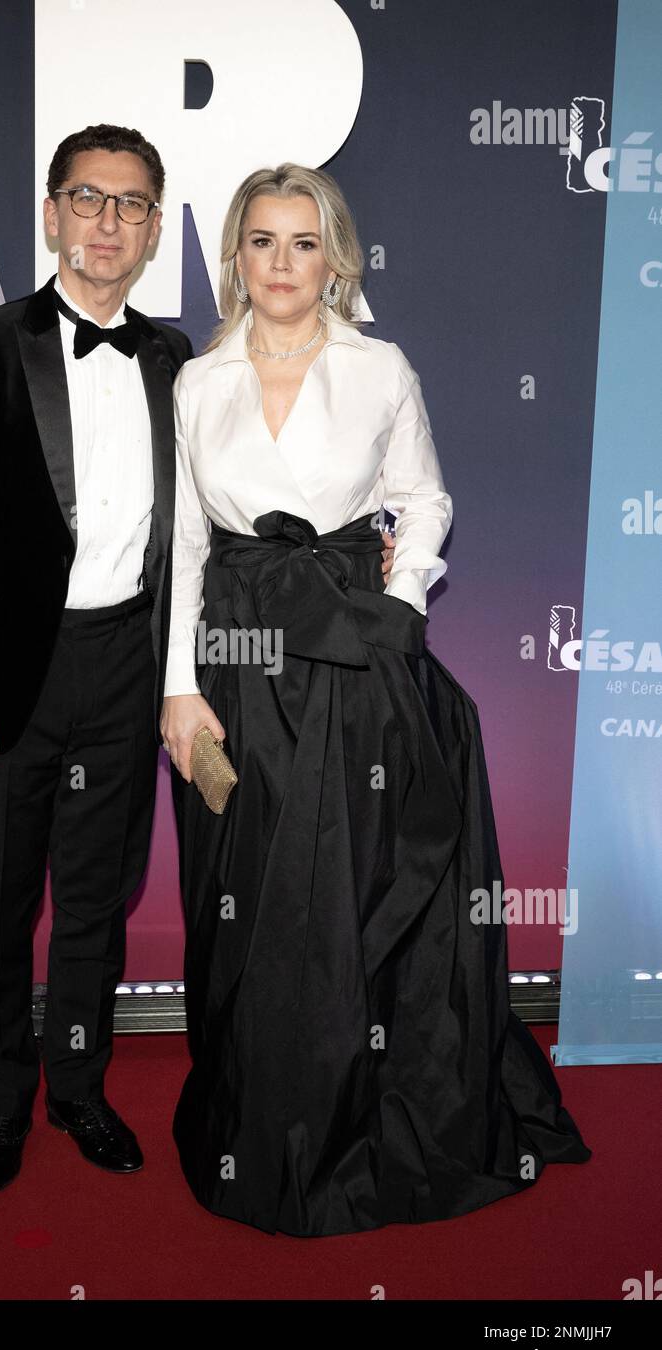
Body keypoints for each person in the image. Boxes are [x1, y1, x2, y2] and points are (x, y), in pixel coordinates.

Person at [160, 162, 591, 1237]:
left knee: (350, 899)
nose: (280, 263)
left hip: (353, 659)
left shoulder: (378, 367)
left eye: (302, 242)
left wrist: (398, 606)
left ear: (334, 258)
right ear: (234, 257)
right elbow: (184, 549)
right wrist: (175, 689)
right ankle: (256, 1132)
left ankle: (357, 1135)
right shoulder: (196, 382)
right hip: (235, 666)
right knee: (248, 902)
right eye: (260, 241)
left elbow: (423, 494)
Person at [0, 125, 201, 1194]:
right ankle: (2, 1097)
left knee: (95, 896)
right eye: (87, 197)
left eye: (130, 204)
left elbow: (219, 513)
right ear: (49, 213)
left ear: (155, 228)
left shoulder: (176, 357)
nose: (107, 222)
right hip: (1, 673)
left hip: (128, 659)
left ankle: (78, 1088)